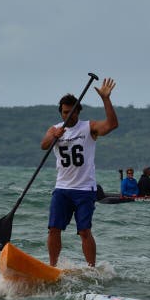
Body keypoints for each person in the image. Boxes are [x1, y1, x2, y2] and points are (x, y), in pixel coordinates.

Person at [41, 77, 118, 267]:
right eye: (65, 112)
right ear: (61, 112)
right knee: (53, 229)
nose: (69, 115)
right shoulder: (55, 129)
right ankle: (52, 266)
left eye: (72, 112)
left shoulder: (88, 127)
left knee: (84, 231)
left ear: (78, 111)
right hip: (62, 188)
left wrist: (106, 99)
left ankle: (91, 268)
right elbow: (44, 145)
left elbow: (111, 125)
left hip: (84, 189)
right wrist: (53, 136)